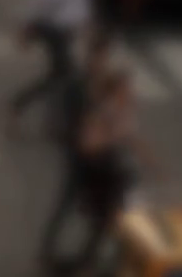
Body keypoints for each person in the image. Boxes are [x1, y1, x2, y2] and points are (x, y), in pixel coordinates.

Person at [36, 31, 115, 269]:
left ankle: (86, 254)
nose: (102, 62)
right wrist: (73, 141)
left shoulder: (100, 82)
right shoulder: (77, 83)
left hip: (96, 154)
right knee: (71, 202)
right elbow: (64, 118)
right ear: (91, 56)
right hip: (79, 155)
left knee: (100, 206)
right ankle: (50, 251)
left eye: (105, 57)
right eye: (99, 57)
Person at [63, 65, 151, 273]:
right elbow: (88, 143)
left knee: (111, 224)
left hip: (115, 175)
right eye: (127, 87)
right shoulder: (104, 111)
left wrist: (153, 163)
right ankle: (98, 265)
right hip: (102, 176)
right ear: (116, 90)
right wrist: (112, 136)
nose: (131, 91)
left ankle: (94, 263)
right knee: (112, 223)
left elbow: (133, 139)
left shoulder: (124, 110)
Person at [7, 0, 93, 136]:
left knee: (59, 77)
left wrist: (87, 26)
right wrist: (26, 29)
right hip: (53, 30)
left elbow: (82, 4)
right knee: (63, 74)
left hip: (70, 32)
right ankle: (18, 106)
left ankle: (48, 119)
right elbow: (40, 3)